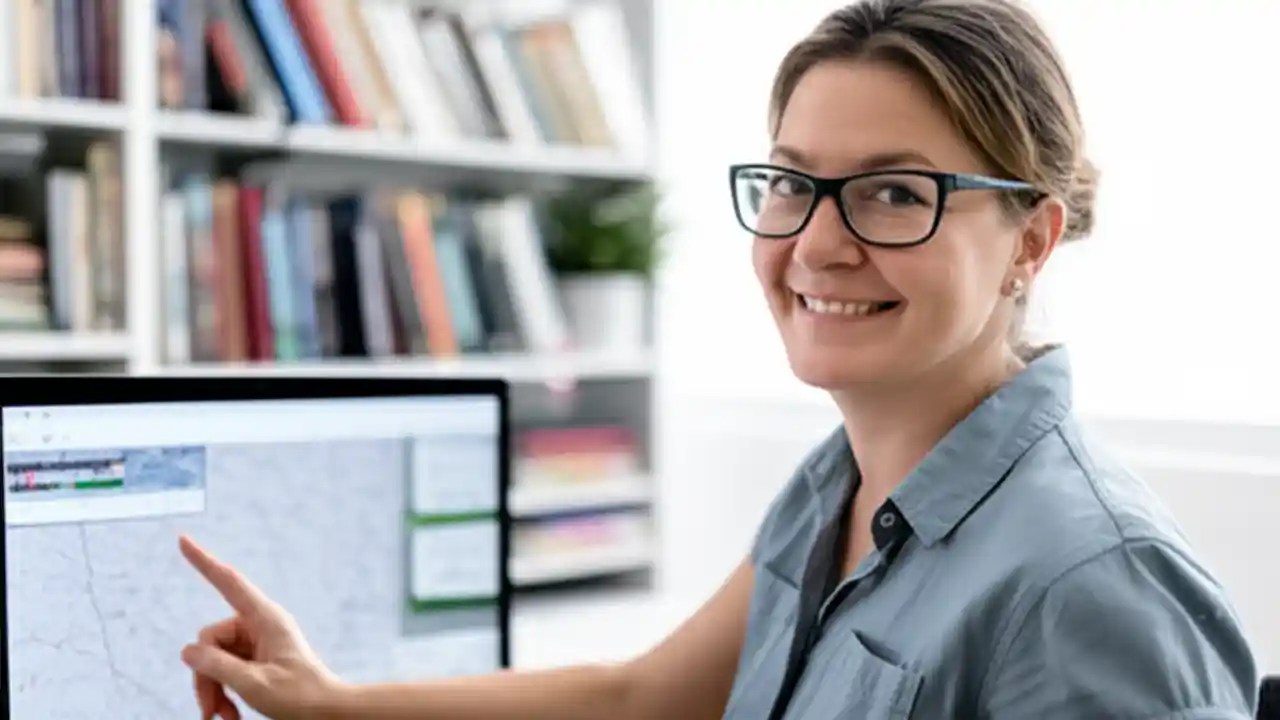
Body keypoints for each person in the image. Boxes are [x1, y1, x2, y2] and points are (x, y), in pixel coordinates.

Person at [178, 0, 1261, 718]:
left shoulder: (1094, 585)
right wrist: (329, 702)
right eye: (792, 183)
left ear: (1029, 241)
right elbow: (643, 700)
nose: (817, 245)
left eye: (895, 193)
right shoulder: (836, 487)